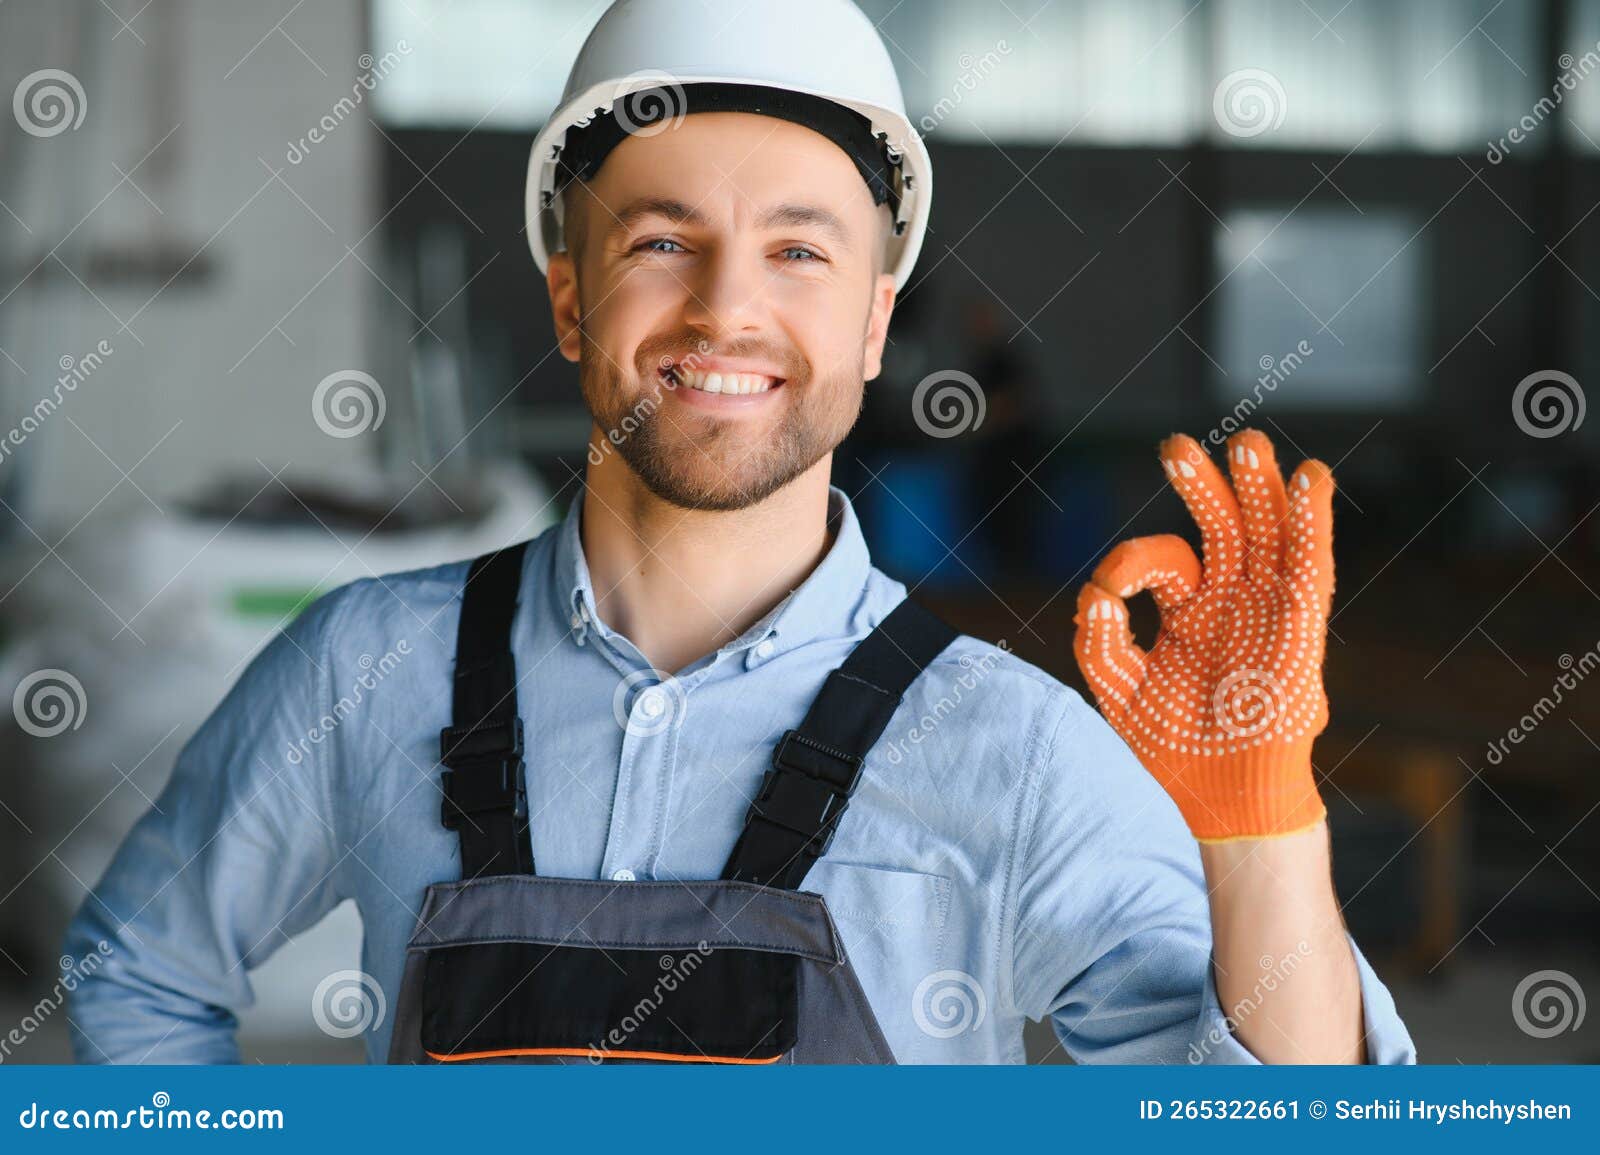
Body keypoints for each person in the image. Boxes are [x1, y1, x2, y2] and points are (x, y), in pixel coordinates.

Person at [64, 0, 1414, 1065]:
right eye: (661, 242)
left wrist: (1262, 833)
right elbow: (138, 971)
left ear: (876, 324)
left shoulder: (1016, 752)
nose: (726, 310)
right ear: (571, 302)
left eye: (800, 251)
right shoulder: (363, 670)